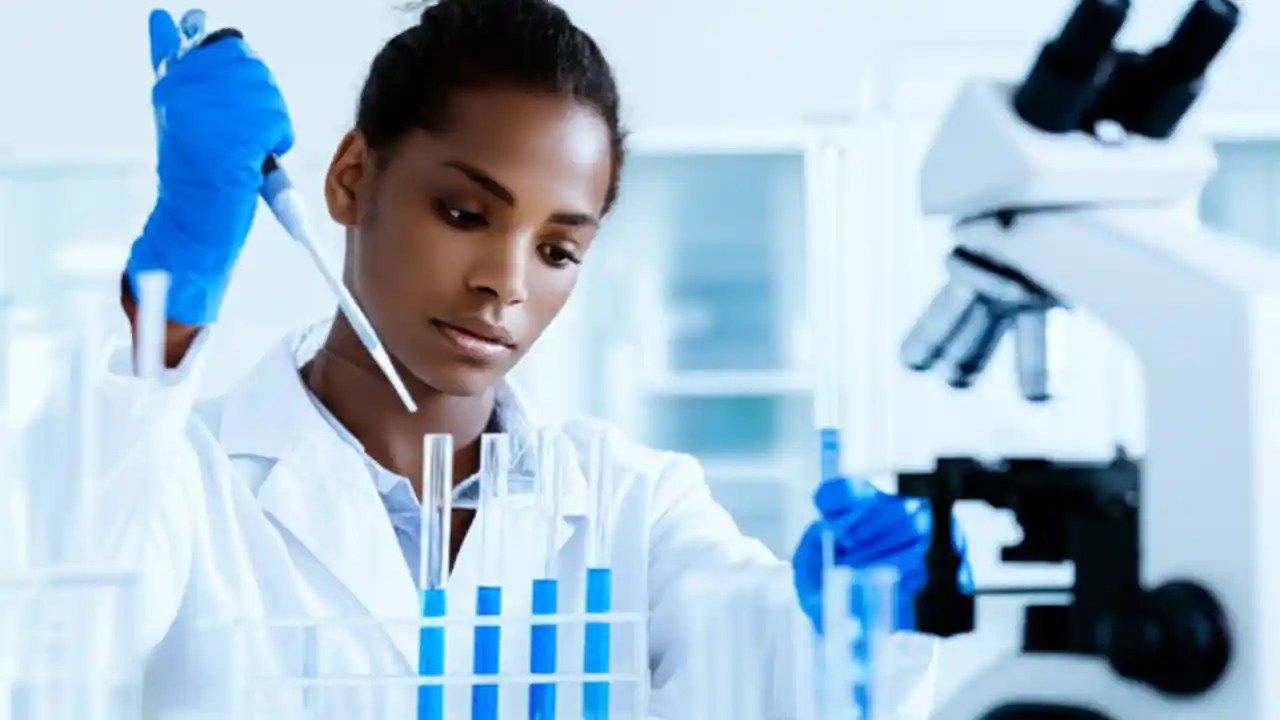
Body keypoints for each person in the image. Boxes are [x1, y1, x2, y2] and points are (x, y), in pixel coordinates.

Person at [94, 1, 971, 717]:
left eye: (558, 250)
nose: (505, 285)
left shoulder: (631, 504)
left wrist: (864, 618)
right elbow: (56, 630)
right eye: (466, 214)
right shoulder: (187, 481)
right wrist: (174, 284)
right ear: (352, 176)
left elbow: (782, 686)